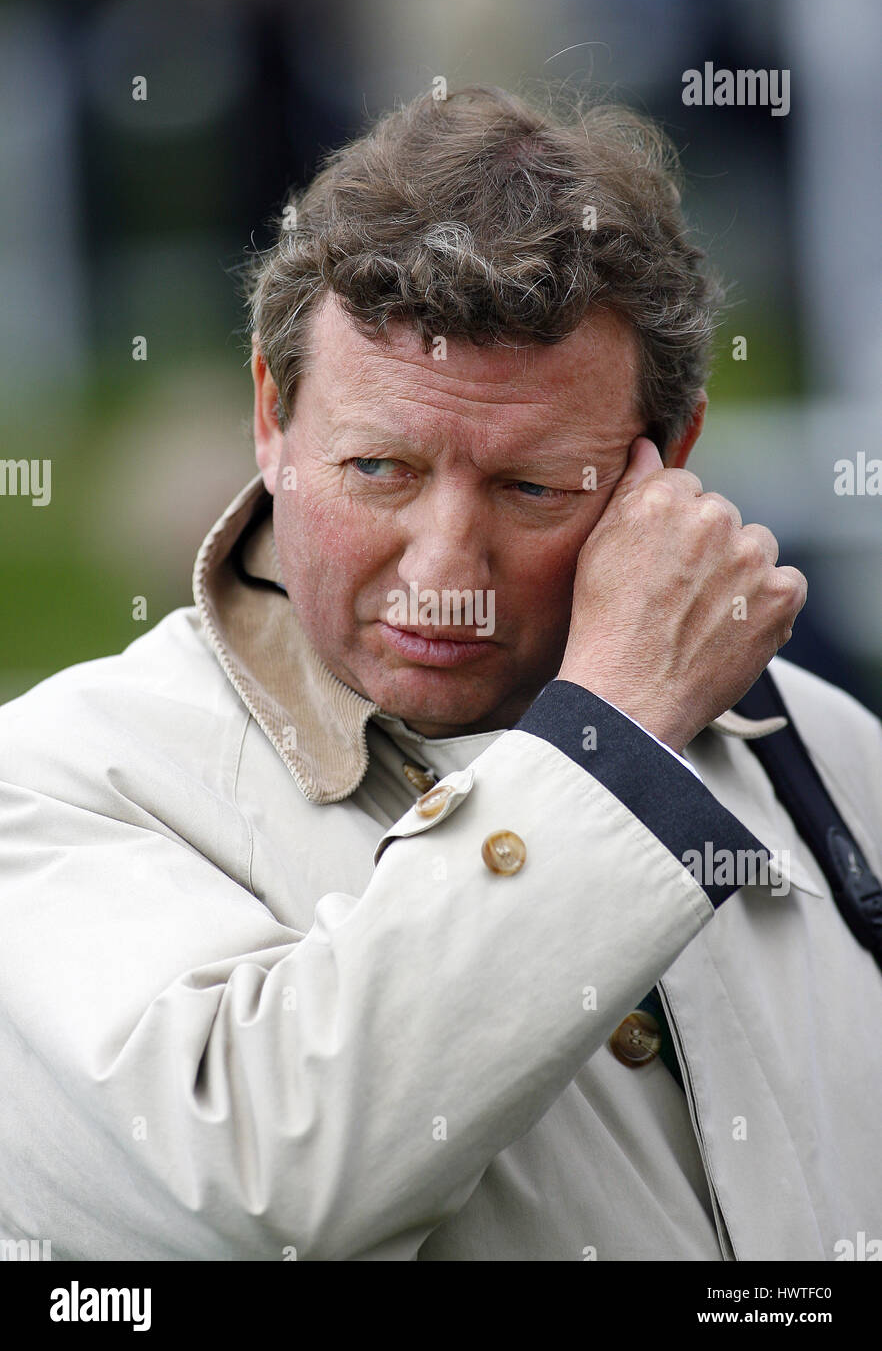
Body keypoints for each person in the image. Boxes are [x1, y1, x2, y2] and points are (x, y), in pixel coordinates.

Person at [1, 84, 880, 1263]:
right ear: (273, 417)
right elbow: (271, 1183)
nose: (444, 568)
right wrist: (613, 739)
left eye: (530, 486)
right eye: (379, 468)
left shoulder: (830, 752)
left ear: (668, 460)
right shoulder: (61, 783)